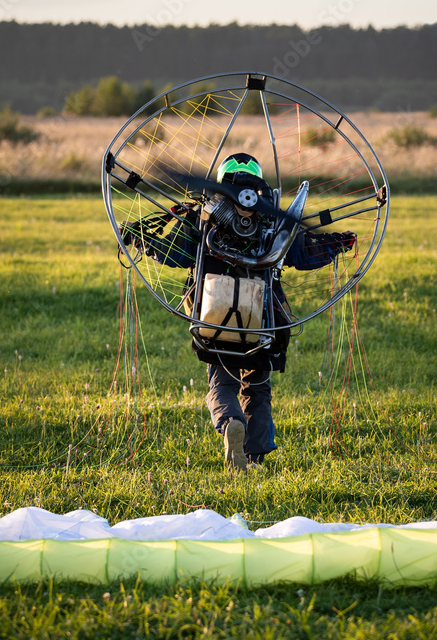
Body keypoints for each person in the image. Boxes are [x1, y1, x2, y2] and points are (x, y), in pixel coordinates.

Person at [121, 153, 355, 473]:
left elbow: (174, 253)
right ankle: (254, 457)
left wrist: (140, 240)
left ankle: (230, 421)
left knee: (222, 382)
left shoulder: (201, 216)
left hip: (212, 317)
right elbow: (303, 252)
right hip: (260, 320)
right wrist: (339, 243)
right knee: (257, 387)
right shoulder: (271, 220)